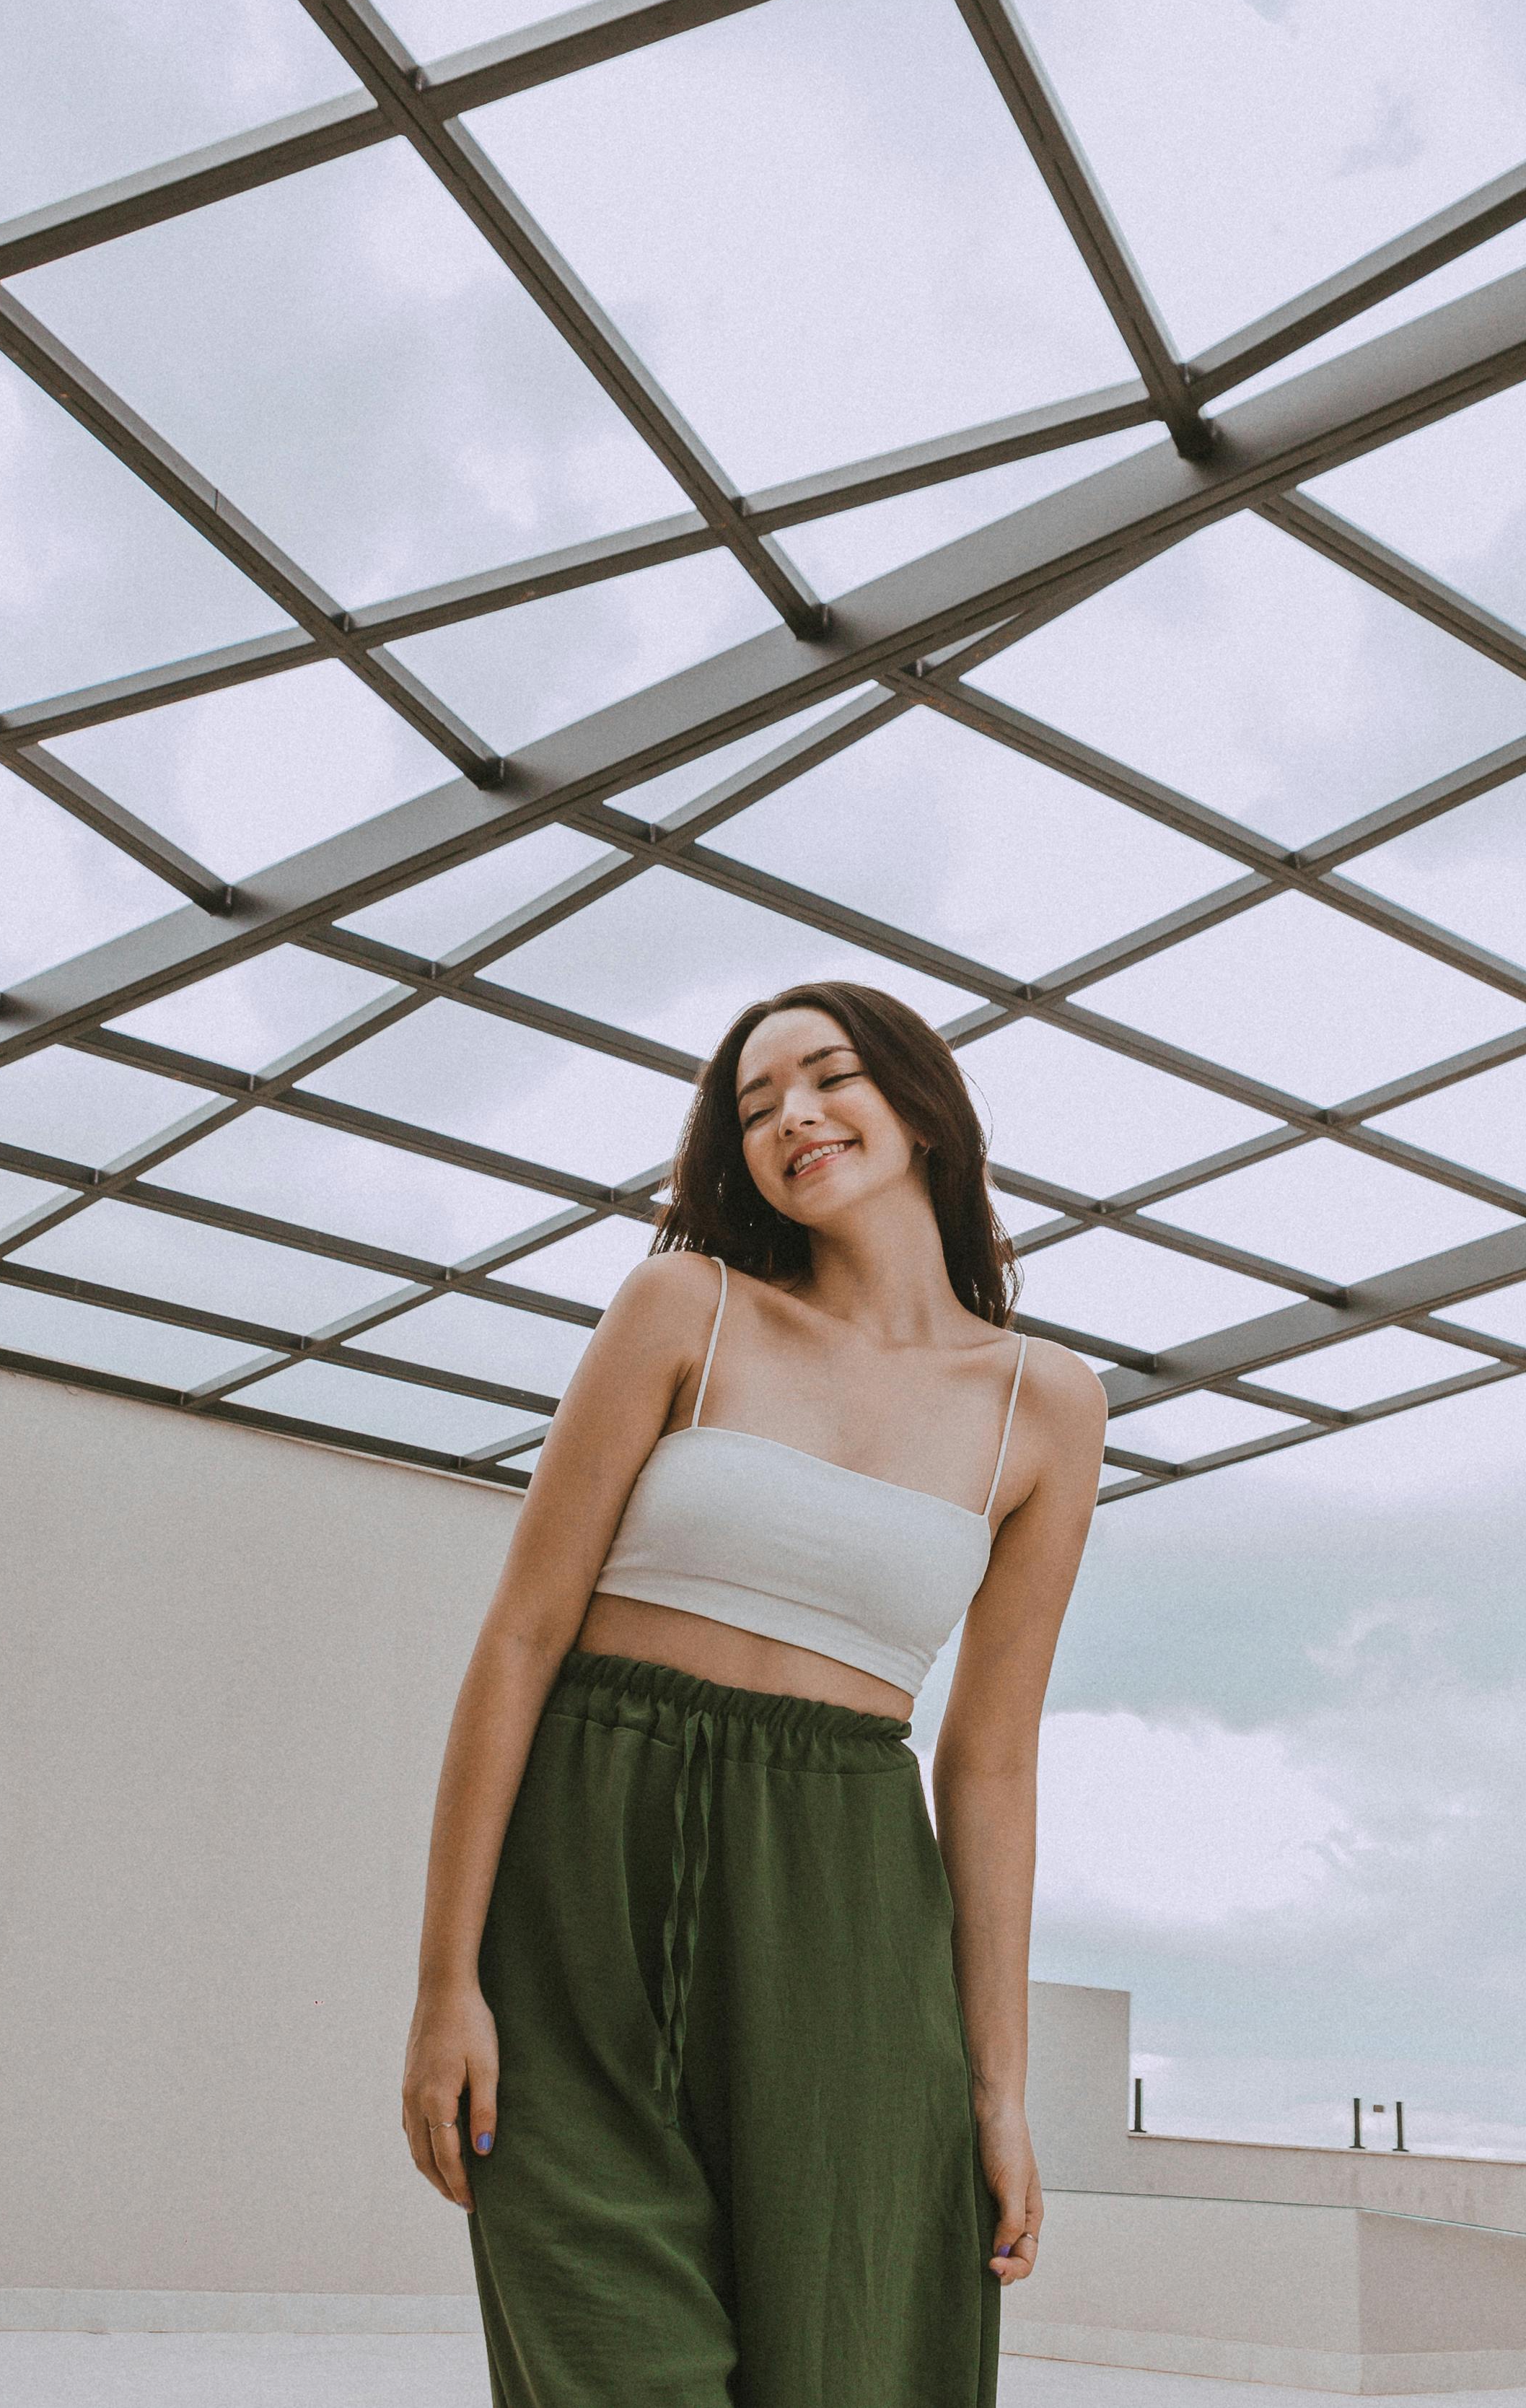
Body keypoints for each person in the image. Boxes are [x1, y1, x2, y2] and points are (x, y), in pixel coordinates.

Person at [402, 978, 1108, 2407]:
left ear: (919, 1105)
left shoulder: (1050, 1407)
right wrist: (444, 1984)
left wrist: (999, 2089)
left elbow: (989, 1765)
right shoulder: (684, 1308)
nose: (794, 1113)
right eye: (756, 1101)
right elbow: (523, 1638)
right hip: (586, 1881)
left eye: (829, 1075)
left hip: (845, 1899)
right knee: (614, 2354)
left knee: (846, 2364)